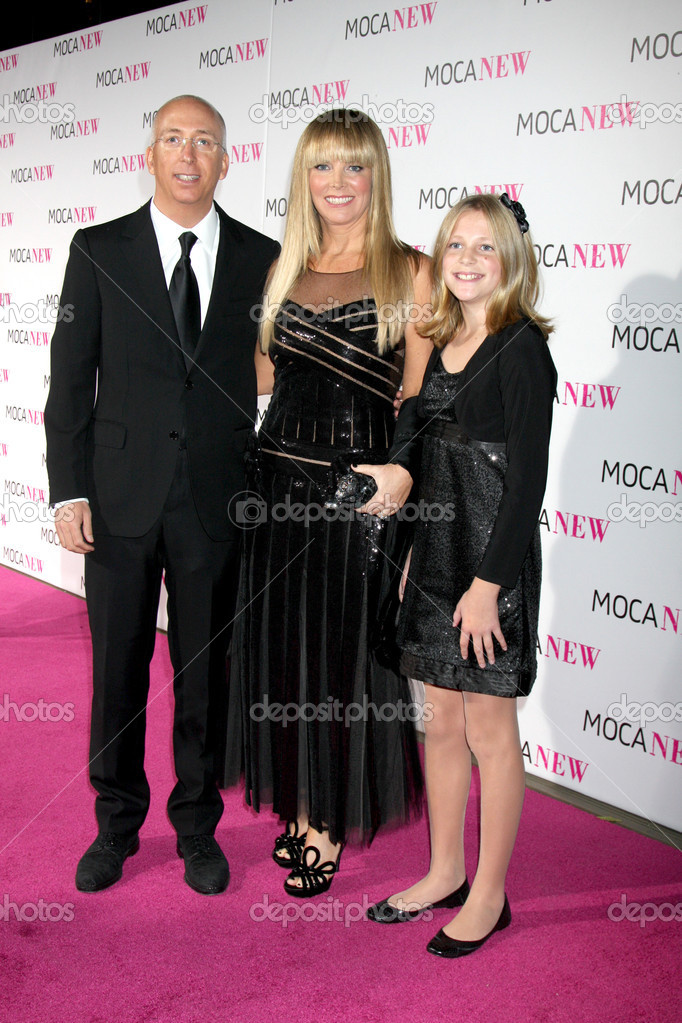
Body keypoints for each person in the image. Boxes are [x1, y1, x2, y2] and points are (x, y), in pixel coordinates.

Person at [44, 95, 279, 895]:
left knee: (205, 670)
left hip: (216, 498)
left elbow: (277, 369)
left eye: (204, 140)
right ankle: (115, 825)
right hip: (116, 498)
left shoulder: (262, 255)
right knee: (117, 667)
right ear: (150, 153)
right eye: (173, 139)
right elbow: (70, 380)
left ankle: (197, 826)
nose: (188, 153)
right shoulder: (99, 248)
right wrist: (67, 491)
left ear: (225, 159)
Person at [223, 109, 433, 896]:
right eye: (322, 167)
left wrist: (405, 499)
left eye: (354, 167)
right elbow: (261, 377)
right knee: (284, 648)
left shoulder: (409, 270)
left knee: (341, 656)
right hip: (275, 490)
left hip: (355, 499)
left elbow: (415, 398)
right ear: (301, 177)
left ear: (376, 175)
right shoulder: (283, 267)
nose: (337, 184)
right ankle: (300, 798)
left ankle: (327, 815)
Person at [366, 193, 557, 956]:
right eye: (456, 246)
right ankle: (445, 869)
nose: (469, 260)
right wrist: (403, 537)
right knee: (438, 717)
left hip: (489, 566)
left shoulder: (521, 349)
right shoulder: (436, 335)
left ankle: (490, 891)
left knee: (487, 726)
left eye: (486, 247)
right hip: (433, 558)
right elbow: (417, 457)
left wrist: (488, 585)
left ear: (511, 259)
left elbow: (527, 483)